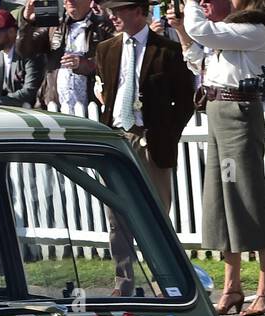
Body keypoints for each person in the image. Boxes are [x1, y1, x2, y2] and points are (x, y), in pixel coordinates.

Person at [170, 0, 265, 316]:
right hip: (220, 112)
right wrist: (181, 30)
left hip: (238, 114)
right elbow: (198, 59)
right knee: (221, 198)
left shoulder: (255, 27)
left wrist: (190, 7)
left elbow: (202, 32)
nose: (204, 2)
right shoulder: (231, 33)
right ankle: (232, 286)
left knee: (249, 195)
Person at [93, 0, 195, 295]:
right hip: (118, 138)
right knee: (117, 215)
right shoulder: (106, 49)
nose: (114, 17)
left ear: (139, 11)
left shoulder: (167, 50)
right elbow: (103, 90)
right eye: (112, 11)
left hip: (151, 139)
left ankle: (165, 281)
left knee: (158, 214)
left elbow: (185, 102)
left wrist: (166, 133)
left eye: (120, 10)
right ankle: (122, 283)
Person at [19, 0, 115, 110]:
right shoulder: (55, 24)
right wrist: (27, 22)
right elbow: (25, 51)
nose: (69, 1)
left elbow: (113, 62)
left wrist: (85, 64)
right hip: (55, 105)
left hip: (91, 108)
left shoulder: (104, 26)